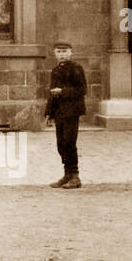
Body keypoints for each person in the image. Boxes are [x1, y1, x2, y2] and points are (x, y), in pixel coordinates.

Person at [46, 41, 87, 188]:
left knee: (69, 142)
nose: (62, 55)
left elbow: (82, 90)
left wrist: (62, 92)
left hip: (72, 111)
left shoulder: (76, 69)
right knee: (61, 144)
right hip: (59, 112)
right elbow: (51, 94)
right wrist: (49, 114)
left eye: (64, 51)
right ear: (54, 53)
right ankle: (67, 175)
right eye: (58, 51)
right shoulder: (55, 70)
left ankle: (75, 177)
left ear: (71, 53)